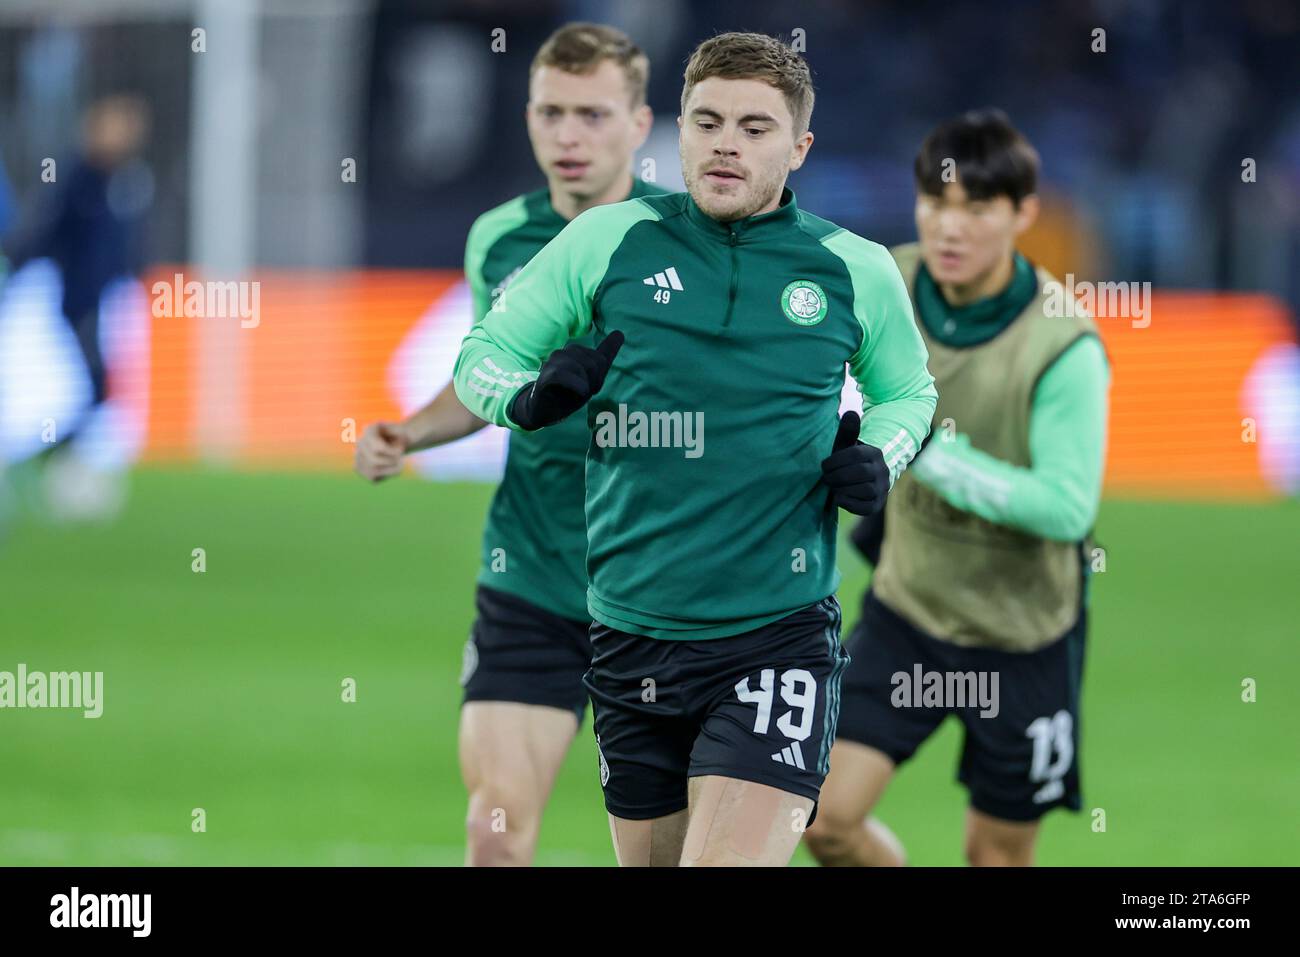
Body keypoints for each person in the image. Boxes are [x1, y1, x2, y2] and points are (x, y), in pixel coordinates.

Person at [453, 32, 936, 866]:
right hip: (628, 637)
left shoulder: (852, 269)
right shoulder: (607, 242)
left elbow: (910, 393)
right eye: (707, 121)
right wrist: (527, 397)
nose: (725, 143)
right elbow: (482, 356)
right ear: (677, 130)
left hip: (774, 639)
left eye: (755, 128)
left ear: (799, 146)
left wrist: (880, 457)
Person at [354, 23, 658, 866]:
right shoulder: (500, 237)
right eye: (550, 112)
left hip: (665, 586)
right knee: (494, 833)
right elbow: (492, 373)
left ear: (639, 124)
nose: (567, 136)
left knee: (660, 855)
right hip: (532, 572)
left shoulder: (685, 240)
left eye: (593, 115)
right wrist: (409, 430)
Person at [803, 109, 1110, 867]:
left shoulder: (1061, 343)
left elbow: (1067, 507)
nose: (951, 227)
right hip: (911, 614)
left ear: (1023, 214)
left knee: (995, 857)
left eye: (977, 208)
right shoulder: (883, 280)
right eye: (936, 203)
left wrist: (927, 454)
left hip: (1025, 637)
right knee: (822, 820)